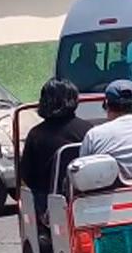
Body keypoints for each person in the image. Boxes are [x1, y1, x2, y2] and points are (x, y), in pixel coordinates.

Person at [20, 78, 94, 217]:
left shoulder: (36, 135)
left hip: (49, 206)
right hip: (85, 198)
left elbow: (27, 176)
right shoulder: (88, 130)